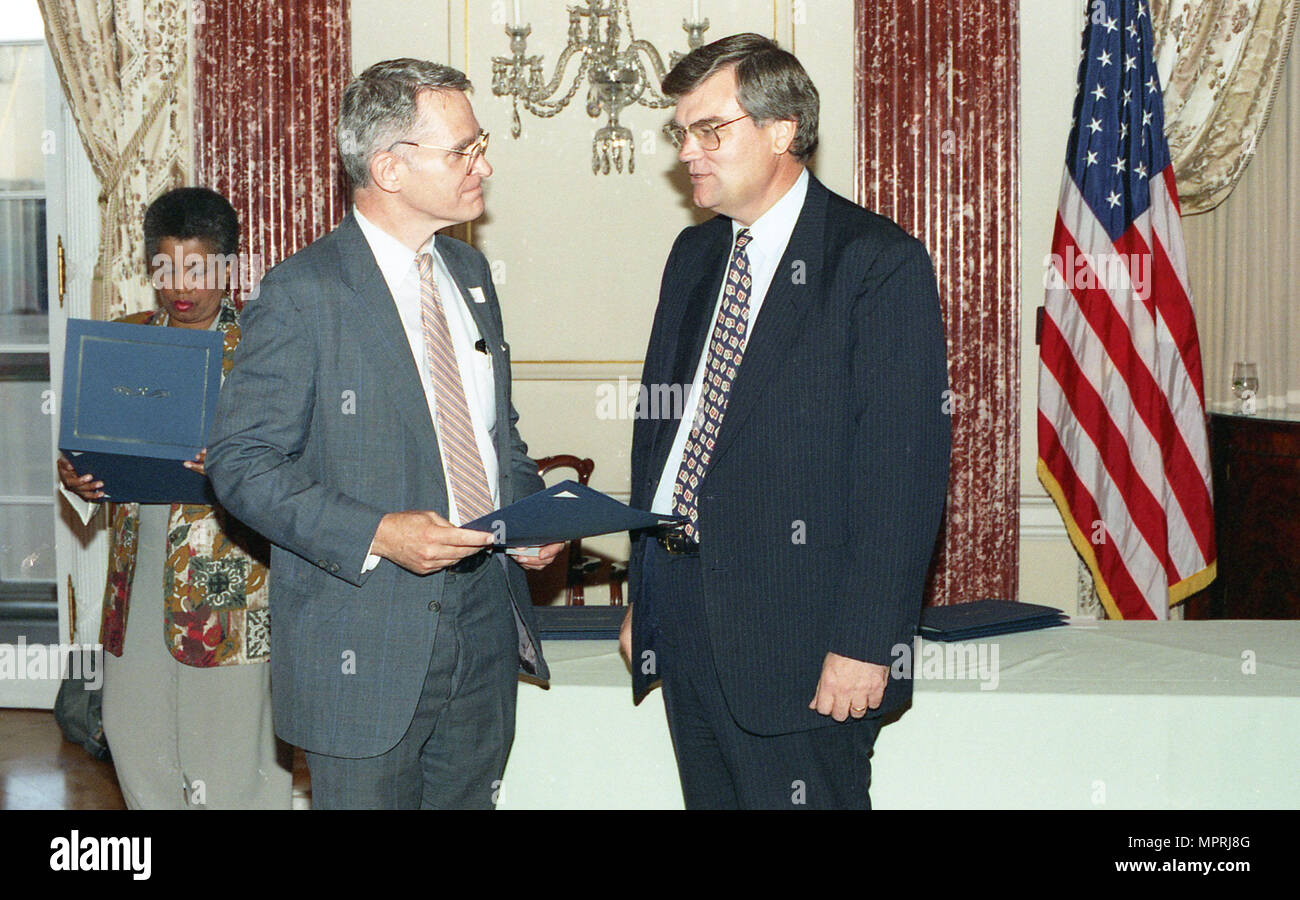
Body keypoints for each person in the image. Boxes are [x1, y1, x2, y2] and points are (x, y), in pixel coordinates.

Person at [206, 58, 562, 810]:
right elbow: (241, 463)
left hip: (484, 625)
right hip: (362, 642)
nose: (484, 165)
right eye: (462, 151)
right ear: (390, 167)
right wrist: (376, 533)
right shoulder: (304, 292)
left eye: (480, 144)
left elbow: (501, 440)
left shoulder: (470, 273)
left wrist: (529, 516)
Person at [620, 34, 952, 809]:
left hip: (806, 639)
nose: (689, 153)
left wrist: (867, 643)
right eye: (681, 133)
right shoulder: (694, 255)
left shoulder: (875, 261)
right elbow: (663, 441)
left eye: (711, 130)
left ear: (782, 129)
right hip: (688, 615)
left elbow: (902, 474)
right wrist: (648, 590)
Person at [57, 186, 292, 809]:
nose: (179, 284)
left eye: (197, 267)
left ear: (228, 267)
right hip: (137, 584)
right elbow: (88, 455)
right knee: (136, 740)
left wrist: (238, 469)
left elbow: (305, 472)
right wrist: (75, 480)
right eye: (164, 267)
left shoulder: (270, 353)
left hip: (231, 590)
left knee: (231, 757)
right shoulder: (123, 346)